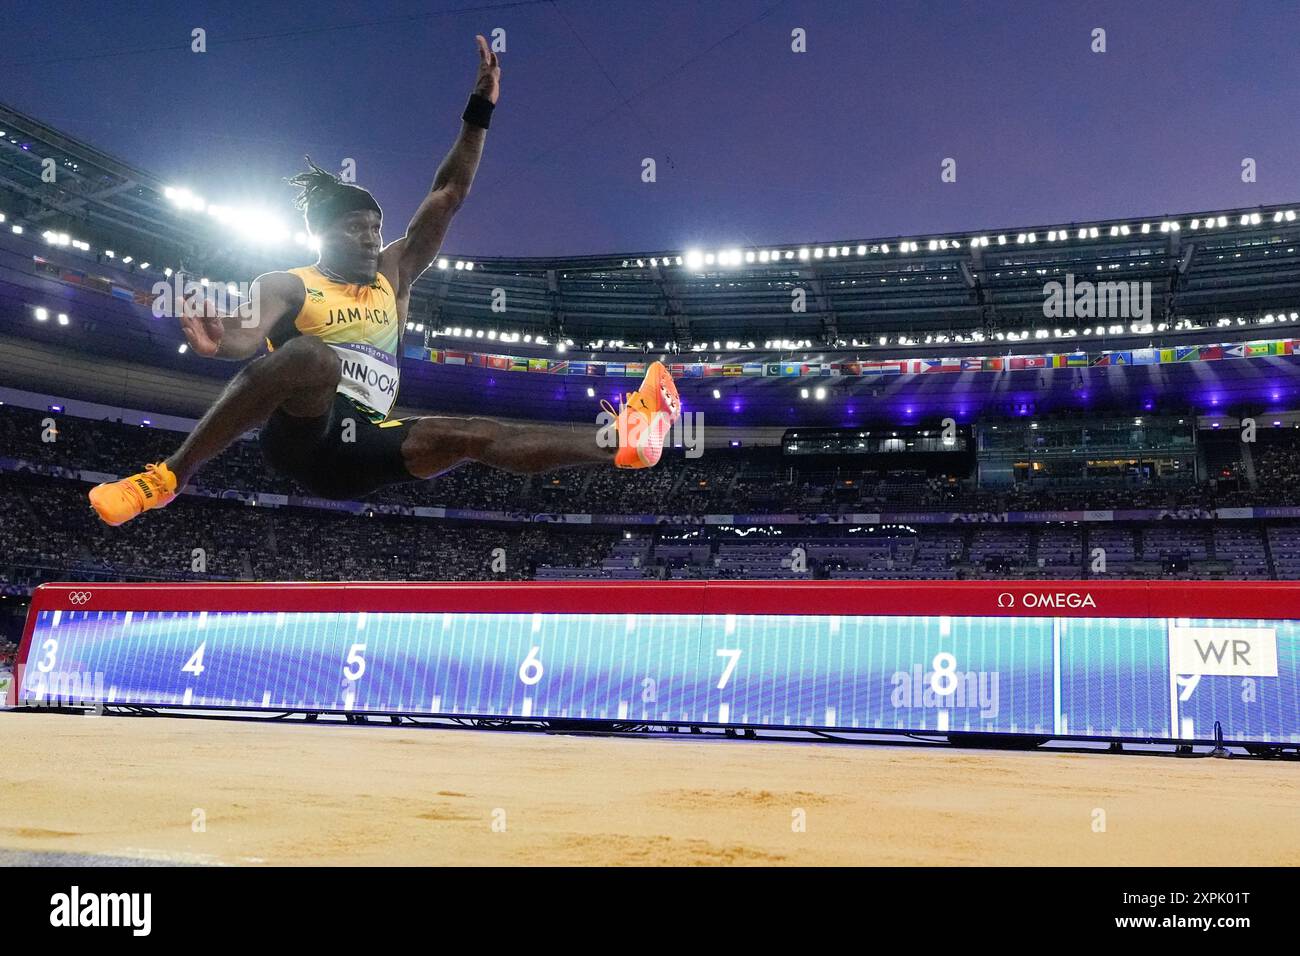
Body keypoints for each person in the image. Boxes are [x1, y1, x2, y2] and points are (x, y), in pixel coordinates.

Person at [90, 36, 678, 527]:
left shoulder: (394, 271)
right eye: (356, 230)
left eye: (376, 227)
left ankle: (624, 442)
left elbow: (447, 194)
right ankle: (165, 478)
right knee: (314, 358)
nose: (372, 239)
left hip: (365, 443)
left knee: (472, 433)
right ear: (322, 236)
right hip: (304, 435)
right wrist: (225, 342)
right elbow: (249, 337)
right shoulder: (289, 283)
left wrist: (480, 111)